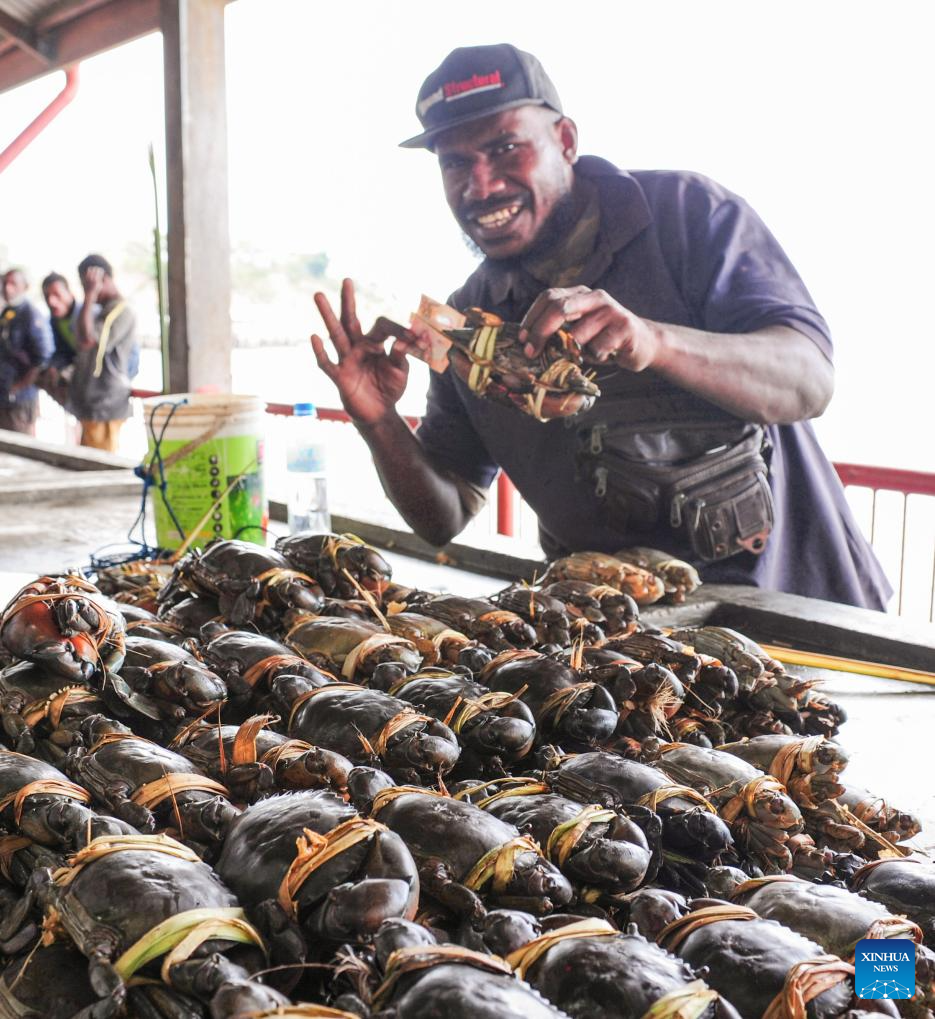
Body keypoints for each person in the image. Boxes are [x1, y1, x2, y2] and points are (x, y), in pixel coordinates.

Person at [311, 44, 890, 610]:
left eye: (505, 148)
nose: (480, 187)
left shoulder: (687, 215)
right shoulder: (472, 322)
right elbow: (445, 514)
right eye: (455, 162)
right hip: (614, 646)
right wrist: (379, 421)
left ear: (565, 140)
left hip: (798, 615)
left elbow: (809, 381)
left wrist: (653, 341)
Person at [70, 254, 139, 453]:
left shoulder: (121, 310)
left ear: (104, 279)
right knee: (88, 461)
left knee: (99, 464)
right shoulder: (104, 311)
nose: (87, 290)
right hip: (94, 405)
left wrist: (89, 295)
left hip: (104, 405)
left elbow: (87, 340)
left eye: (88, 284)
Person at [0, 268, 53, 434]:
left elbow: (43, 358)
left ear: (25, 287)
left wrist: (18, 387)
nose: (7, 288)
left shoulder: (31, 315)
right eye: (5, 283)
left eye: (13, 284)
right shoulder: (8, 312)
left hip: (20, 400)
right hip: (4, 396)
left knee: (19, 444)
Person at [40, 272, 79, 408]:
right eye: (47, 296)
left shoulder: (86, 314)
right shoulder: (53, 320)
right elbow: (62, 352)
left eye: (57, 294)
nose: (51, 301)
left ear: (70, 293)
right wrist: (55, 365)